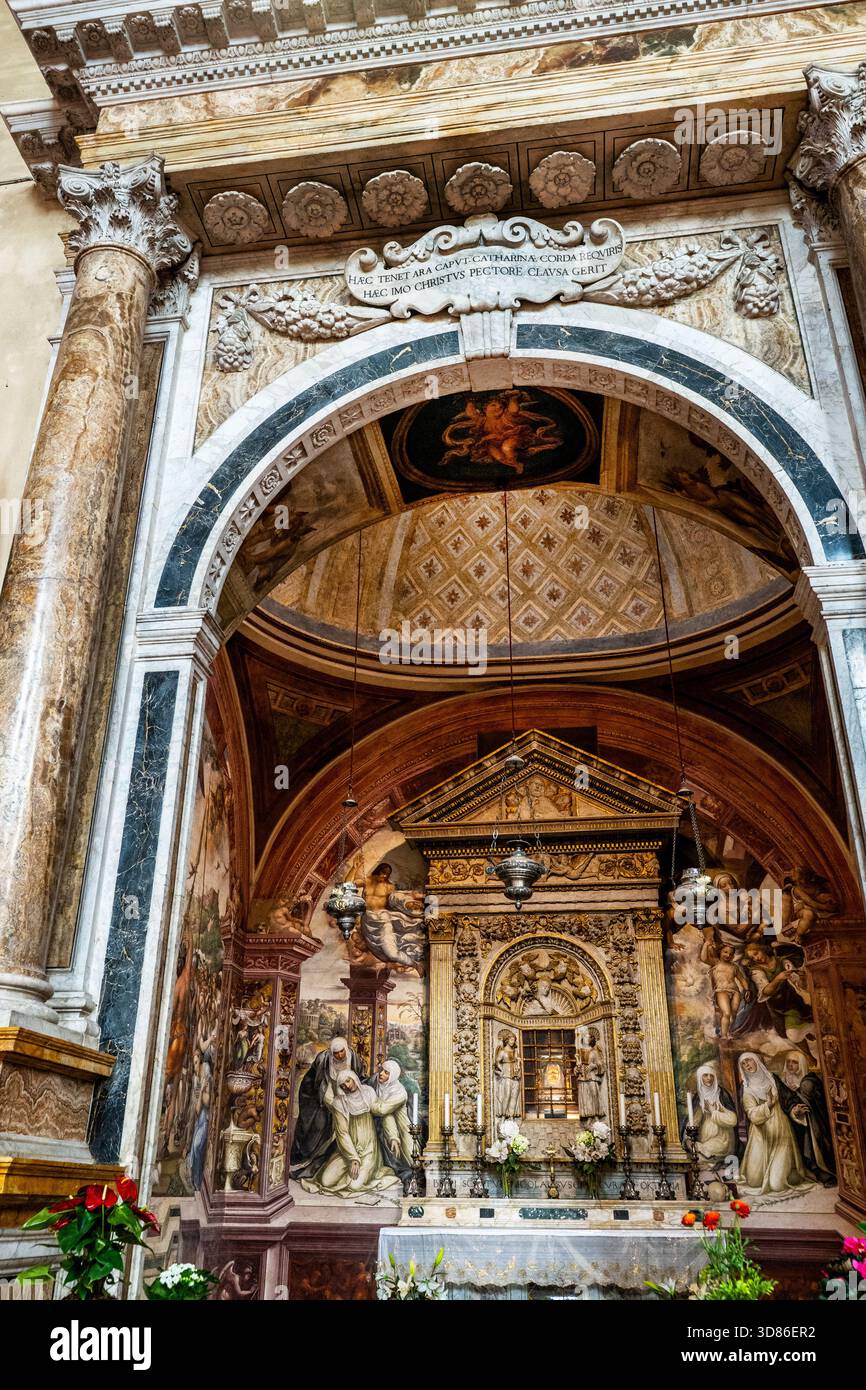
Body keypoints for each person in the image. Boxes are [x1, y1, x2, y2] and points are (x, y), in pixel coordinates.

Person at [300, 1070, 400, 1197]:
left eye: (348, 1081)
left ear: (354, 1079)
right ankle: (352, 1172)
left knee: (354, 1186)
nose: (346, 1086)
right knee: (326, 1181)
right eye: (342, 1085)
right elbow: (342, 1133)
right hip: (347, 1151)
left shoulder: (368, 1092)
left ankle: (362, 1174)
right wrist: (353, 1158)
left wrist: (393, 1136)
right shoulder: (339, 1102)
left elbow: (384, 1113)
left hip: (368, 1149)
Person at [290, 1036, 366, 1180]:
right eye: (336, 1053)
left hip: (346, 1093)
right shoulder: (323, 1058)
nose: (339, 1055)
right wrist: (329, 1101)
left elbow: (359, 1077)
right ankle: (306, 1158)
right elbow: (316, 1081)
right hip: (325, 1091)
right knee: (319, 1126)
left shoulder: (354, 1058)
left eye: (341, 1052)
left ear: (346, 1049)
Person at [738, 1052, 810, 1196]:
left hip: (781, 1132)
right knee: (754, 1180)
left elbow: (788, 1099)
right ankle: (788, 1171)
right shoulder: (745, 1087)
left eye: (749, 1061)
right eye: (743, 1064)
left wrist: (794, 1109)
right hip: (760, 1135)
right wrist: (767, 1106)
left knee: (777, 1185)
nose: (747, 1065)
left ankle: (790, 1170)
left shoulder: (772, 1078)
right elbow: (752, 1115)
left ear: (756, 1061)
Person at [777, 1052, 836, 1186]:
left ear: (802, 1063)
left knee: (816, 1141)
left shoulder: (810, 1080)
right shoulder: (784, 1081)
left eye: (794, 1062)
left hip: (814, 1120)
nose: (791, 1065)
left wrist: (797, 1094)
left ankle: (825, 1174)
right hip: (795, 1122)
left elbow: (818, 1103)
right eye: (788, 1062)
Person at [686, 1063, 739, 1161]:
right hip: (703, 1139)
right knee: (696, 1156)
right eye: (705, 1075)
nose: (709, 1078)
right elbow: (694, 1120)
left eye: (711, 1076)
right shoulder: (698, 1097)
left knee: (702, 1155)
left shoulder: (722, 1094)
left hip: (723, 1140)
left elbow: (733, 1120)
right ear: (700, 1078)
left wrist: (714, 1112)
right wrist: (687, 1138)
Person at [371, 1060, 413, 1172]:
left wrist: (368, 1103)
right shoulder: (377, 1084)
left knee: (409, 1158)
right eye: (381, 1070)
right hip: (382, 1125)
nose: (381, 1073)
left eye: (386, 1072)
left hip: (401, 1127)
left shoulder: (399, 1092)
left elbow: (382, 1110)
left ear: (393, 1076)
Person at [494, 1030, 522, 1119]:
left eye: (513, 1040)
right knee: (507, 1095)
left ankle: (511, 1116)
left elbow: (517, 1060)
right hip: (506, 1074)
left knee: (514, 1095)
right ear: (507, 1040)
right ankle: (503, 1116)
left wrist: (518, 1061)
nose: (512, 1042)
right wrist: (501, 1070)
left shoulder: (515, 1051)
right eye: (511, 1040)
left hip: (515, 1074)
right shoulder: (502, 1051)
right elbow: (497, 1062)